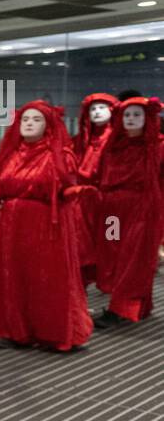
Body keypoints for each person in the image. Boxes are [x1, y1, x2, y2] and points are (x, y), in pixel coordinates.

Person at [0, 101, 93, 352]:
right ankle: (17, 331)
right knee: (15, 277)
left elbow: (67, 189)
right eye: (25, 119)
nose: (29, 123)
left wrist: (75, 191)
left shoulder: (60, 155)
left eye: (36, 120)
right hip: (12, 226)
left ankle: (53, 332)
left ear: (48, 124)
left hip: (46, 225)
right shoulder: (12, 154)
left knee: (48, 278)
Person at [80, 96, 163, 327]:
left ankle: (121, 308)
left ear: (148, 118)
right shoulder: (113, 146)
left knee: (133, 258)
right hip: (112, 212)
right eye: (127, 114)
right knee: (112, 253)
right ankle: (138, 305)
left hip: (141, 211)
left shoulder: (158, 146)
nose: (131, 119)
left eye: (137, 114)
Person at [73, 93, 118, 285]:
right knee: (82, 246)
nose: (97, 112)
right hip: (84, 202)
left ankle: (111, 285)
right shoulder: (83, 140)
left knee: (111, 241)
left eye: (102, 107)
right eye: (93, 108)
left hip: (110, 204)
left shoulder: (118, 139)